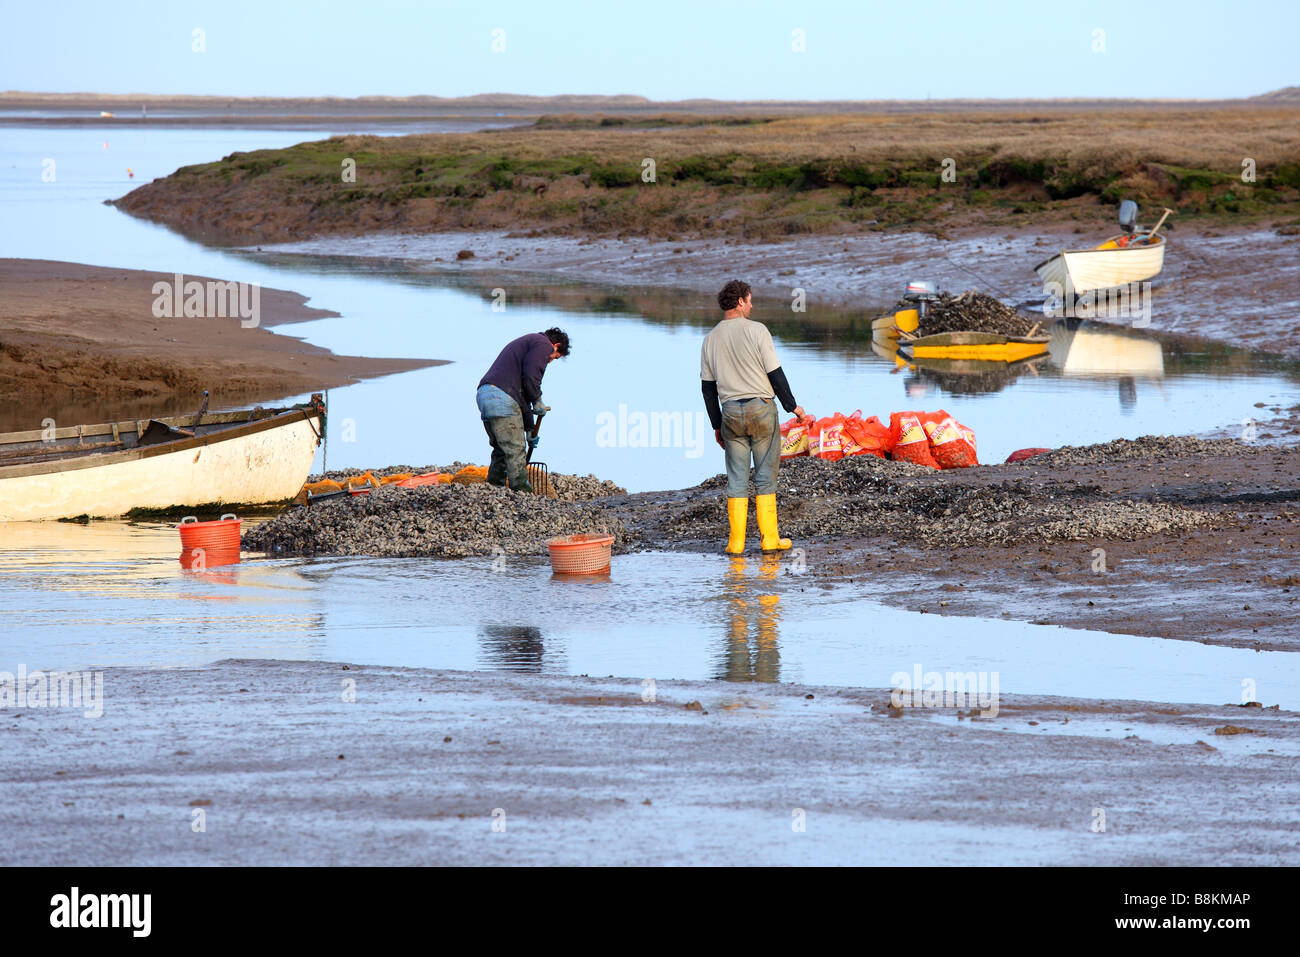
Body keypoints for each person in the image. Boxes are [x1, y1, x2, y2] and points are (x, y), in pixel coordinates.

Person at [700, 280, 807, 554]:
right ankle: (770, 540)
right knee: (765, 477)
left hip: (731, 414)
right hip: (761, 410)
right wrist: (793, 407)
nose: (752, 304)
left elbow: (708, 389)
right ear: (740, 302)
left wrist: (716, 425)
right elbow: (775, 374)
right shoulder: (758, 330)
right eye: (750, 300)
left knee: (736, 479)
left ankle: (735, 544)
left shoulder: (710, 339)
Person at [476, 327, 570, 492]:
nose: (550, 360)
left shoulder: (528, 343)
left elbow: (522, 398)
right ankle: (522, 492)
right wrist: (538, 399)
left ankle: (493, 489)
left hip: (485, 395)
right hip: (502, 397)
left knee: (501, 449)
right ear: (556, 345)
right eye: (555, 357)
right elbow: (531, 377)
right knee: (516, 450)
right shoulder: (543, 344)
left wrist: (529, 429)